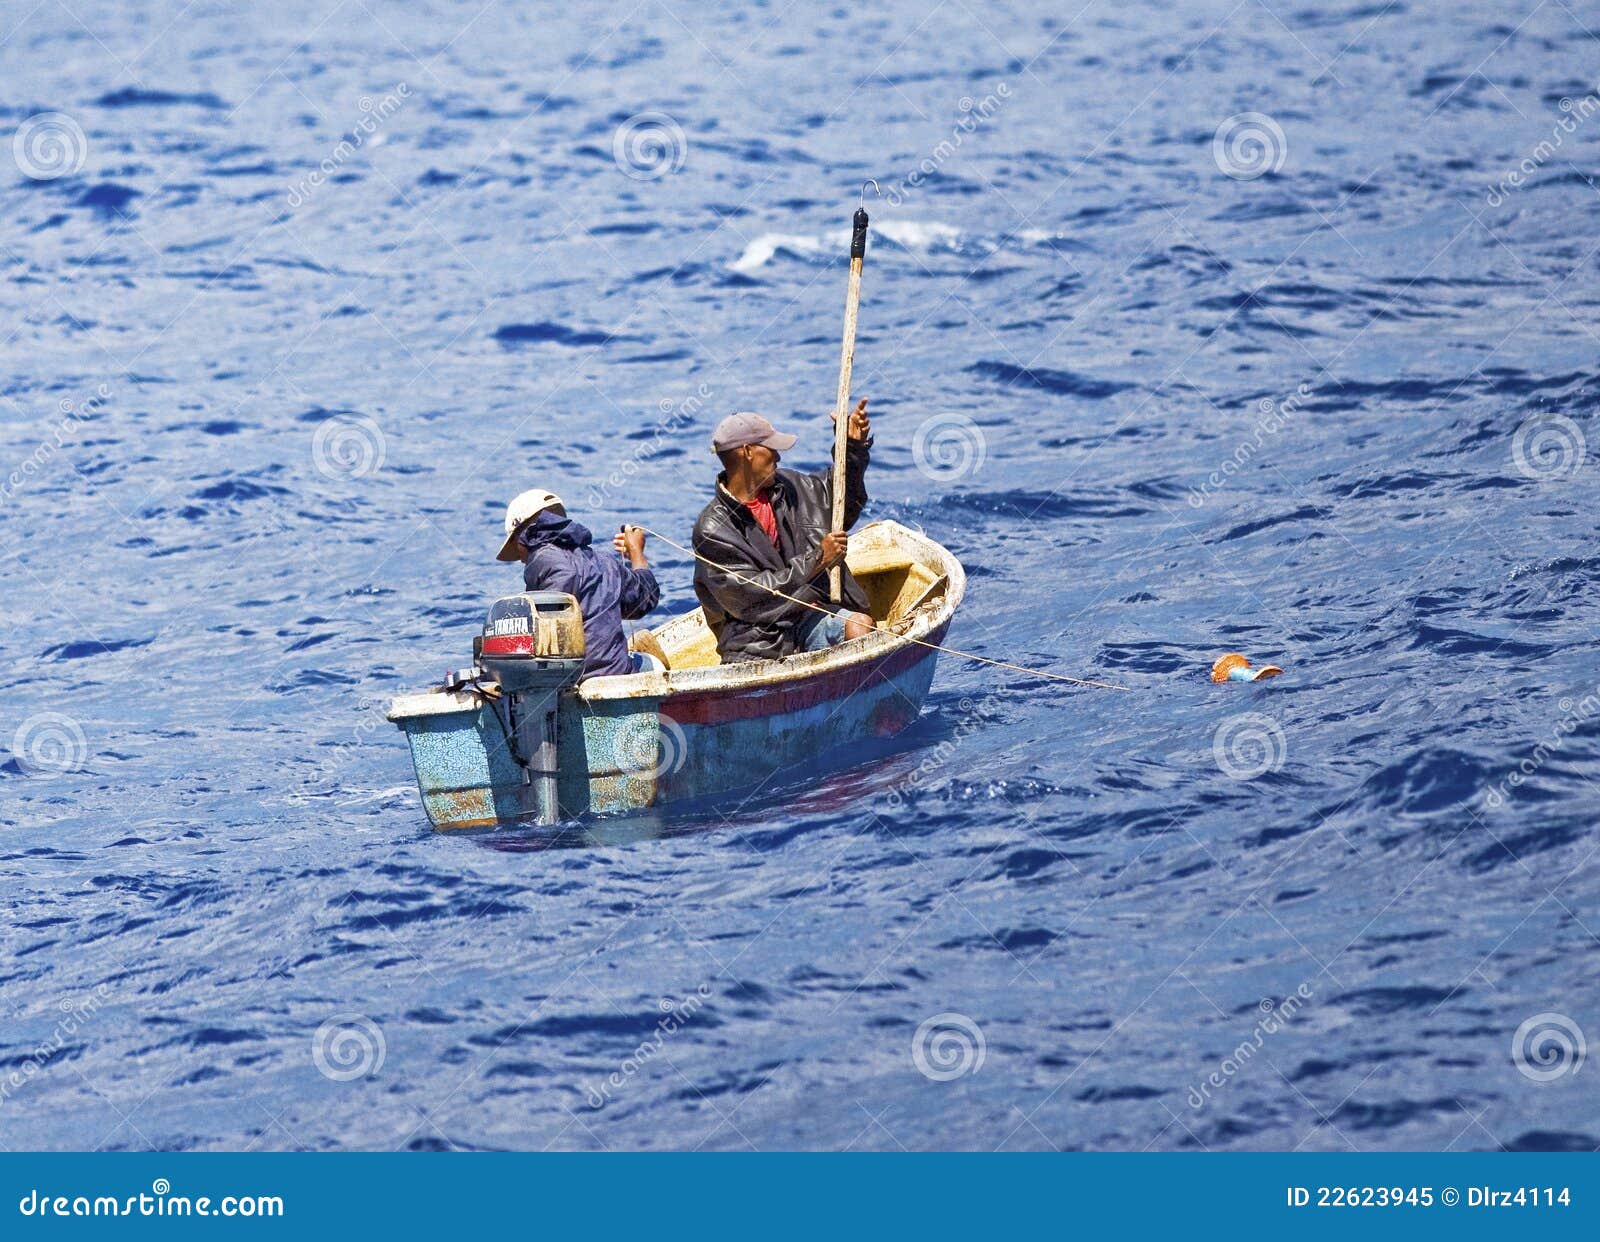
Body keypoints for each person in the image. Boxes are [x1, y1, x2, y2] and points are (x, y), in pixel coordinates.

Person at [691, 402, 875, 663]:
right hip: (757, 640)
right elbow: (750, 598)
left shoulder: (789, 485)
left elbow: (841, 504)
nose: (778, 457)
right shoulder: (712, 529)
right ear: (747, 452)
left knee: (859, 626)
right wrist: (818, 560)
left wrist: (852, 448)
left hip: (810, 614)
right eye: (771, 449)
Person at [495, 488, 662, 677]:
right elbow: (645, 599)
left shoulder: (539, 560)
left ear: (522, 539)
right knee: (654, 663)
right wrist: (636, 552)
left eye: (517, 551)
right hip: (618, 674)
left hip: (569, 684)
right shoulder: (605, 561)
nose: (520, 559)